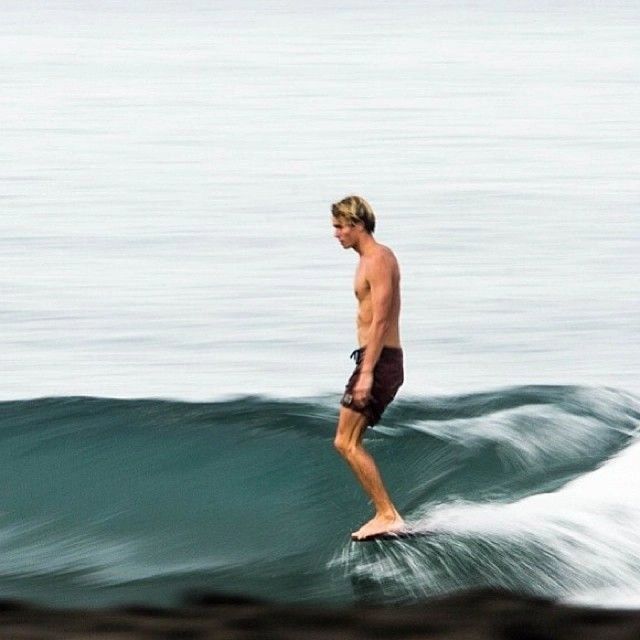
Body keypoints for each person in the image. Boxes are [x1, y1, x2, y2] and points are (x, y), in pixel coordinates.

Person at [331, 195, 405, 541]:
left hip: (379, 361)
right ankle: (386, 514)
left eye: (339, 226)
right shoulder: (364, 261)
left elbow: (381, 320)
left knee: (345, 442)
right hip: (372, 359)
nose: (336, 234)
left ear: (357, 224)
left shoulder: (379, 259)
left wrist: (367, 373)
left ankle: (387, 514)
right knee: (347, 441)